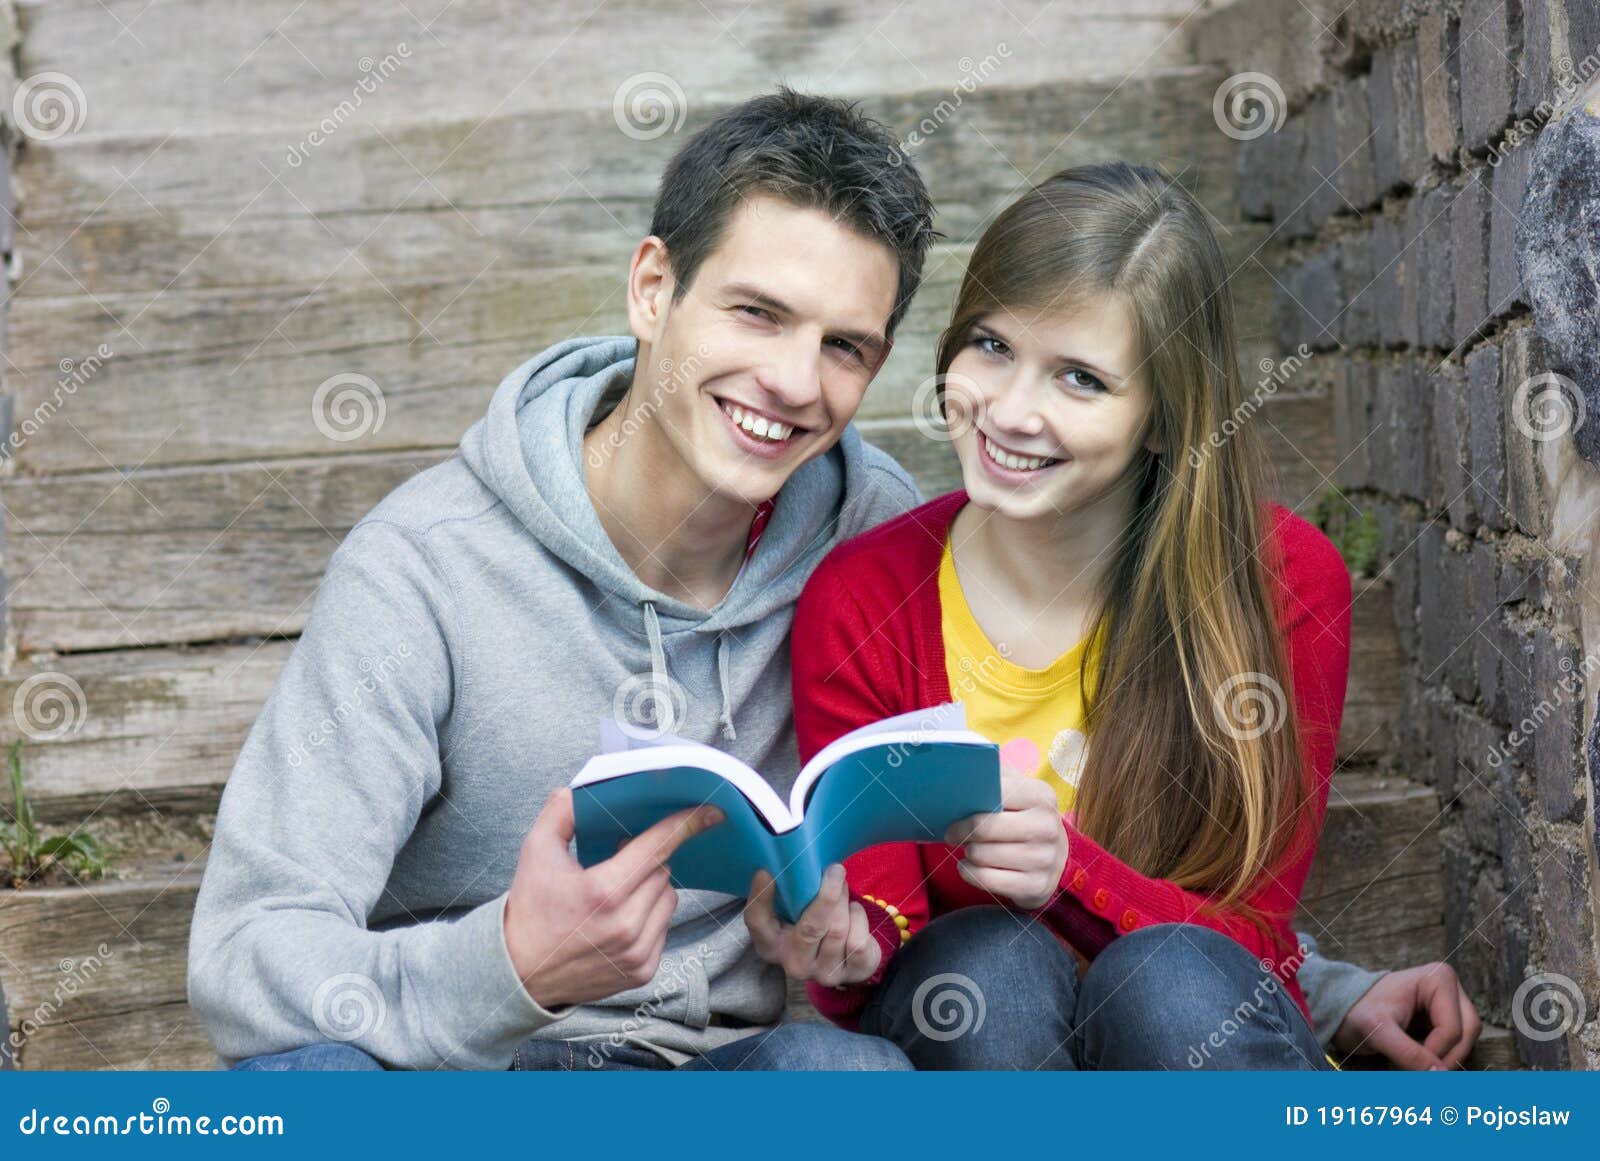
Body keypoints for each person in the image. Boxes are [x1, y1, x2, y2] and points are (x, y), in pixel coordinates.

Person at [188, 89, 1476, 1072]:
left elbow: (1050, 879)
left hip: (729, 1069)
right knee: (301, 1085)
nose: (795, 384)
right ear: (654, 289)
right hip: (469, 1074)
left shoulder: (874, 529)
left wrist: (1315, 982)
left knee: (856, 1072)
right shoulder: (420, 574)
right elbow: (242, 963)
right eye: (754, 315)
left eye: (845, 346)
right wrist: (512, 963)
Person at [783, 161, 1413, 1070]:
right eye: (992, 346)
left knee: (1163, 979)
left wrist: (1067, 872)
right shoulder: (862, 597)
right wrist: (840, 948)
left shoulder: (1282, 581)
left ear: (1163, 418)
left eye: (1080, 378)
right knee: (983, 964)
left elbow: (1260, 942)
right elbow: (877, 944)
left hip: (1193, 1029)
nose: (1010, 410)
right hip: (988, 1049)